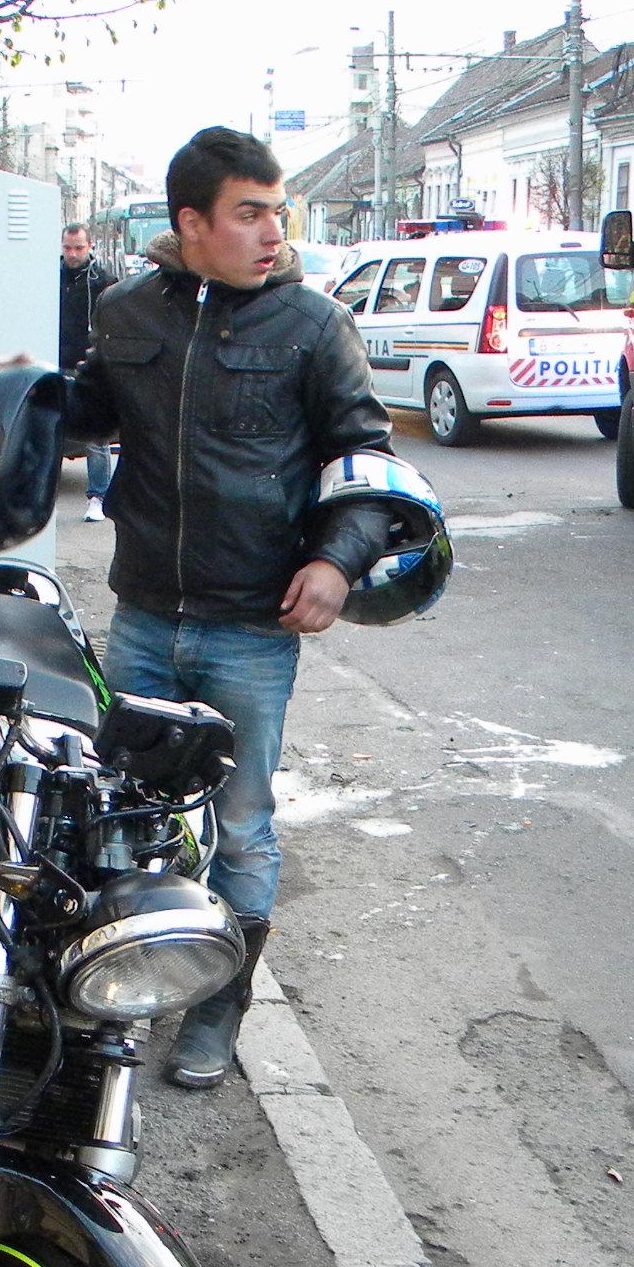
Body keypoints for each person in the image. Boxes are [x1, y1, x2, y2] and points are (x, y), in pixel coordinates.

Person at [61, 126, 395, 1090]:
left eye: (276, 211)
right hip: (143, 620)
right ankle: (117, 994)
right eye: (249, 213)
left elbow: (365, 461)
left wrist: (338, 559)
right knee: (118, 813)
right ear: (191, 223)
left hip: (253, 627)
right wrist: (2, 404)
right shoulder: (129, 313)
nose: (270, 232)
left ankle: (217, 1012)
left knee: (241, 825)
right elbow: (84, 413)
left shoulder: (312, 325)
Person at [59, 223, 116, 523]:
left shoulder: (102, 280)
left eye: (79, 248)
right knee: (47, 429)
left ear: (90, 246)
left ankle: (98, 497)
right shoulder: (50, 276)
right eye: (68, 248)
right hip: (55, 359)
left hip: (88, 364)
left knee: (97, 437)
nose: (72, 254)